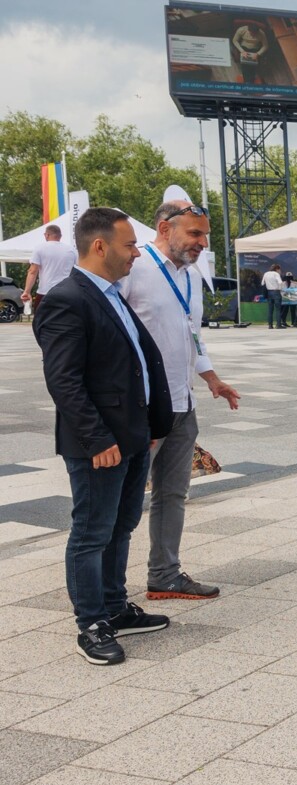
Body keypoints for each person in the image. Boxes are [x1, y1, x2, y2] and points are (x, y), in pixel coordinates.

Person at [33, 208, 173, 665]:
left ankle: (115, 607)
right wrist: (96, 440)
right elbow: (64, 381)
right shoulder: (66, 299)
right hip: (99, 444)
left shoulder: (112, 294)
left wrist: (151, 427)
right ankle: (91, 623)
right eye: (130, 245)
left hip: (131, 438)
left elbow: (131, 362)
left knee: (121, 527)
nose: (136, 252)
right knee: (92, 533)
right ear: (100, 246)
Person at [120, 200, 241, 602]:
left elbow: (192, 333)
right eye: (194, 233)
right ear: (164, 228)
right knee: (121, 500)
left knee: (172, 493)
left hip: (181, 403)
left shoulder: (189, 276)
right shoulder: (133, 269)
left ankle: (165, 575)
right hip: (142, 409)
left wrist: (211, 378)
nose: (203, 243)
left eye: (205, 235)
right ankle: (105, 591)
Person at [21, 223, 76, 310]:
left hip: (45, 292)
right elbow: (78, 271)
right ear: (60, 236)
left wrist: (27, 291)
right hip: (66, 293)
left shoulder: (39, 248)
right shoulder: (71, 250)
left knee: (41, 321)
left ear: (46, 235)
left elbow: (32, 271)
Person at [262, 263, 284, 328]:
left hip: (269, 292)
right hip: (276, 292)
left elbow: (262, 283)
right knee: (278, 309)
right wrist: (280, 288)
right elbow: (280, 282)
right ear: (277, 269)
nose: (280, 271)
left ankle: (270, 325)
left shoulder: (266, 273)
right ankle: (278, 325)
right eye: (279, 269)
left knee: (270, 310)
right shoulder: (276, 274)